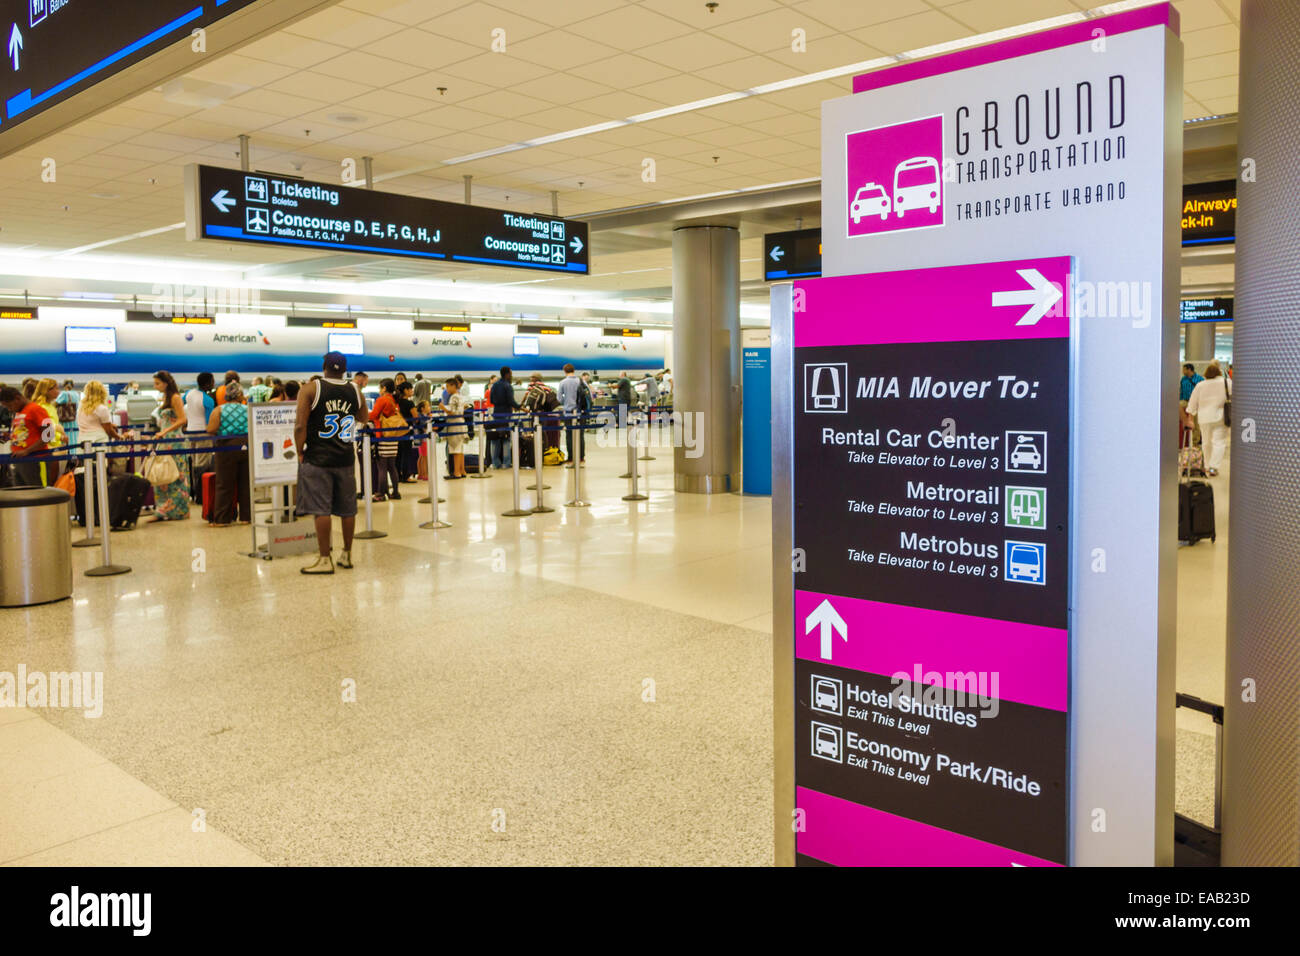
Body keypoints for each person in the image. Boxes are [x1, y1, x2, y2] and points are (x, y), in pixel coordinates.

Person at [294, 352, 366, 574]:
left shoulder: (311, 388)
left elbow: (300, 425)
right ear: (344, 369)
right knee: (347, 510)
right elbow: (364, 418)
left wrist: (299, 450)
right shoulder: (355, 389)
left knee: (321, 509)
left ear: (324, 366)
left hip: (318, 457)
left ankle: (325, 559)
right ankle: (347, 554)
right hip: (345, 457)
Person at [205, 380, 250, 526]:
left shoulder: (220, 409)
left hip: (226, 448)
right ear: (240, 395)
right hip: (247, 447)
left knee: (224, 484)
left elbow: (211, 429)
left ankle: (222, 519)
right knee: (246, 483)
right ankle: (246, 517)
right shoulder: (247, 409)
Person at [147, 371, 190, 521]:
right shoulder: (165, 398)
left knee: (175, 474)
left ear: (166, 383)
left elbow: (182, 419)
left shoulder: (175, 397)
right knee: (164, 473)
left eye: (157, 383)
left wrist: (165, 430)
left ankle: (177, 509)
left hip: (174, 440)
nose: (155, 386)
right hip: (165, 440)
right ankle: (163, 509)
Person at [1, 384, 55, 486]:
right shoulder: (19, 412)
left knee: (40, 493)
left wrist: (27, 451)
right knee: (23, 496)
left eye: (9, 406)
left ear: (17, 398)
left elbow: (48, 435)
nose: (9, 409)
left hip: (36, 460)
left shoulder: (36, 409)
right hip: (19, 461)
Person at [1186, 363, 1231, 477]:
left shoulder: (1200, 385)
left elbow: (1192, 403)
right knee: (1219, 442)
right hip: (1221, 417)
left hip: (1204, 418)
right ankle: (1213, 467)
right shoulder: (1227, 382)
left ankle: (1206, 466)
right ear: (1219, 373)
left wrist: (1190, 419)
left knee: (1206, 442)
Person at [369, 378, 402, 500]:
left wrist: (362, 414)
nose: (379, 390)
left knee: (381, 467)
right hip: (393, 436)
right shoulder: (394, 400)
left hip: (383, 436)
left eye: (380, 388)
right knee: (392, 466)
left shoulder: (382, 400)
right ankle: (396, 492)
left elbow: (373, 415)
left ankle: (381, 494)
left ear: (384, 388)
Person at [75, 381, 123, 447]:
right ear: (102, 392)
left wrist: (110, 424)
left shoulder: (81, 406)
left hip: (82, 441)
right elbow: (108, 430)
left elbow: (91, 422)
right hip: (98, 441)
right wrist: (119, 437)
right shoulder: (102, 408)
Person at [488, 367, 518, 470]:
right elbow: (511, 401)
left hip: (496, 414)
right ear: (507, 374)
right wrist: (520, 407)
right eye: (511, 373)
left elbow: (491, 400)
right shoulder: (508, 386)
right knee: (506, 438)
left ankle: (495, 463)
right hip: (506, 414)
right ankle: (506, 463)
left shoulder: (494, 385)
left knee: (495, 438)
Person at [441, 378, 468, 478]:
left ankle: (456, 473)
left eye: (448, 386)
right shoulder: (460, 397)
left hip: (454, 425)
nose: (446, 388)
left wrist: (442, 407)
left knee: (455, 449)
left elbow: (452, 412)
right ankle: (462, 470)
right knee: (460, 449)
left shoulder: (453, 397)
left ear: (453, 386)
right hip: (461, 423)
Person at [396, 380, 418, 482]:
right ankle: (406, 476)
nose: (412, 391)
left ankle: (397, 476)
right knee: (407, 453)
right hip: (407, 430)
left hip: (397, 430)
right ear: (405, 390)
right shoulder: (410, 403)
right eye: (410, 389)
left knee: (399, 453)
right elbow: (416, 417)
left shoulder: (397, 402)